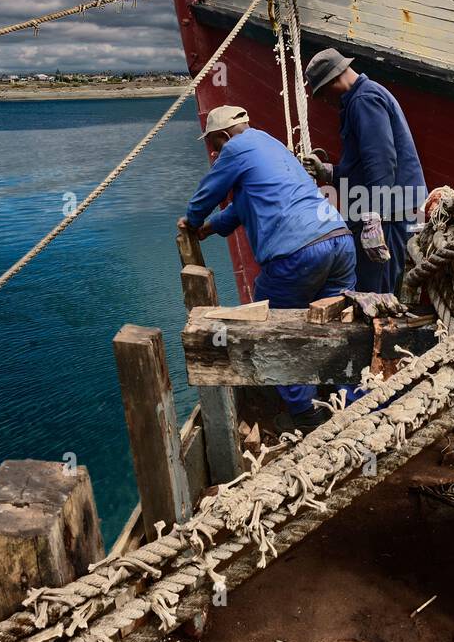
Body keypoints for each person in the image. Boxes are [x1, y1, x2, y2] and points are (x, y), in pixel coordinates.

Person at [179, 105, 355, 432]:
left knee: (270, 324)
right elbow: (241, 208)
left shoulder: (235, 147)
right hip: (339, 241)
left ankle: (306, 415)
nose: (215, 152)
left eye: (215, 144)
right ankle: (350, 400)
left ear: (222, 136)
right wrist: (211, 227)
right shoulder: (273, 147)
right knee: (337, 323)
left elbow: (209, 192)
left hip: (298, 252)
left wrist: (192, 220)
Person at [301, 49, 426, 293]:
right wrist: (330, 173)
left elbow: (381, 161)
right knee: (376, 284)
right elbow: (364, 165)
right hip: (390, 208)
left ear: (334, 80)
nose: (325, 100)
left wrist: (374, 216)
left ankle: (382, 330)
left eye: (323, 93)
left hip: (390, 212)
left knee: (376, 290)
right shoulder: (367, 96)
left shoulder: (363, 100)